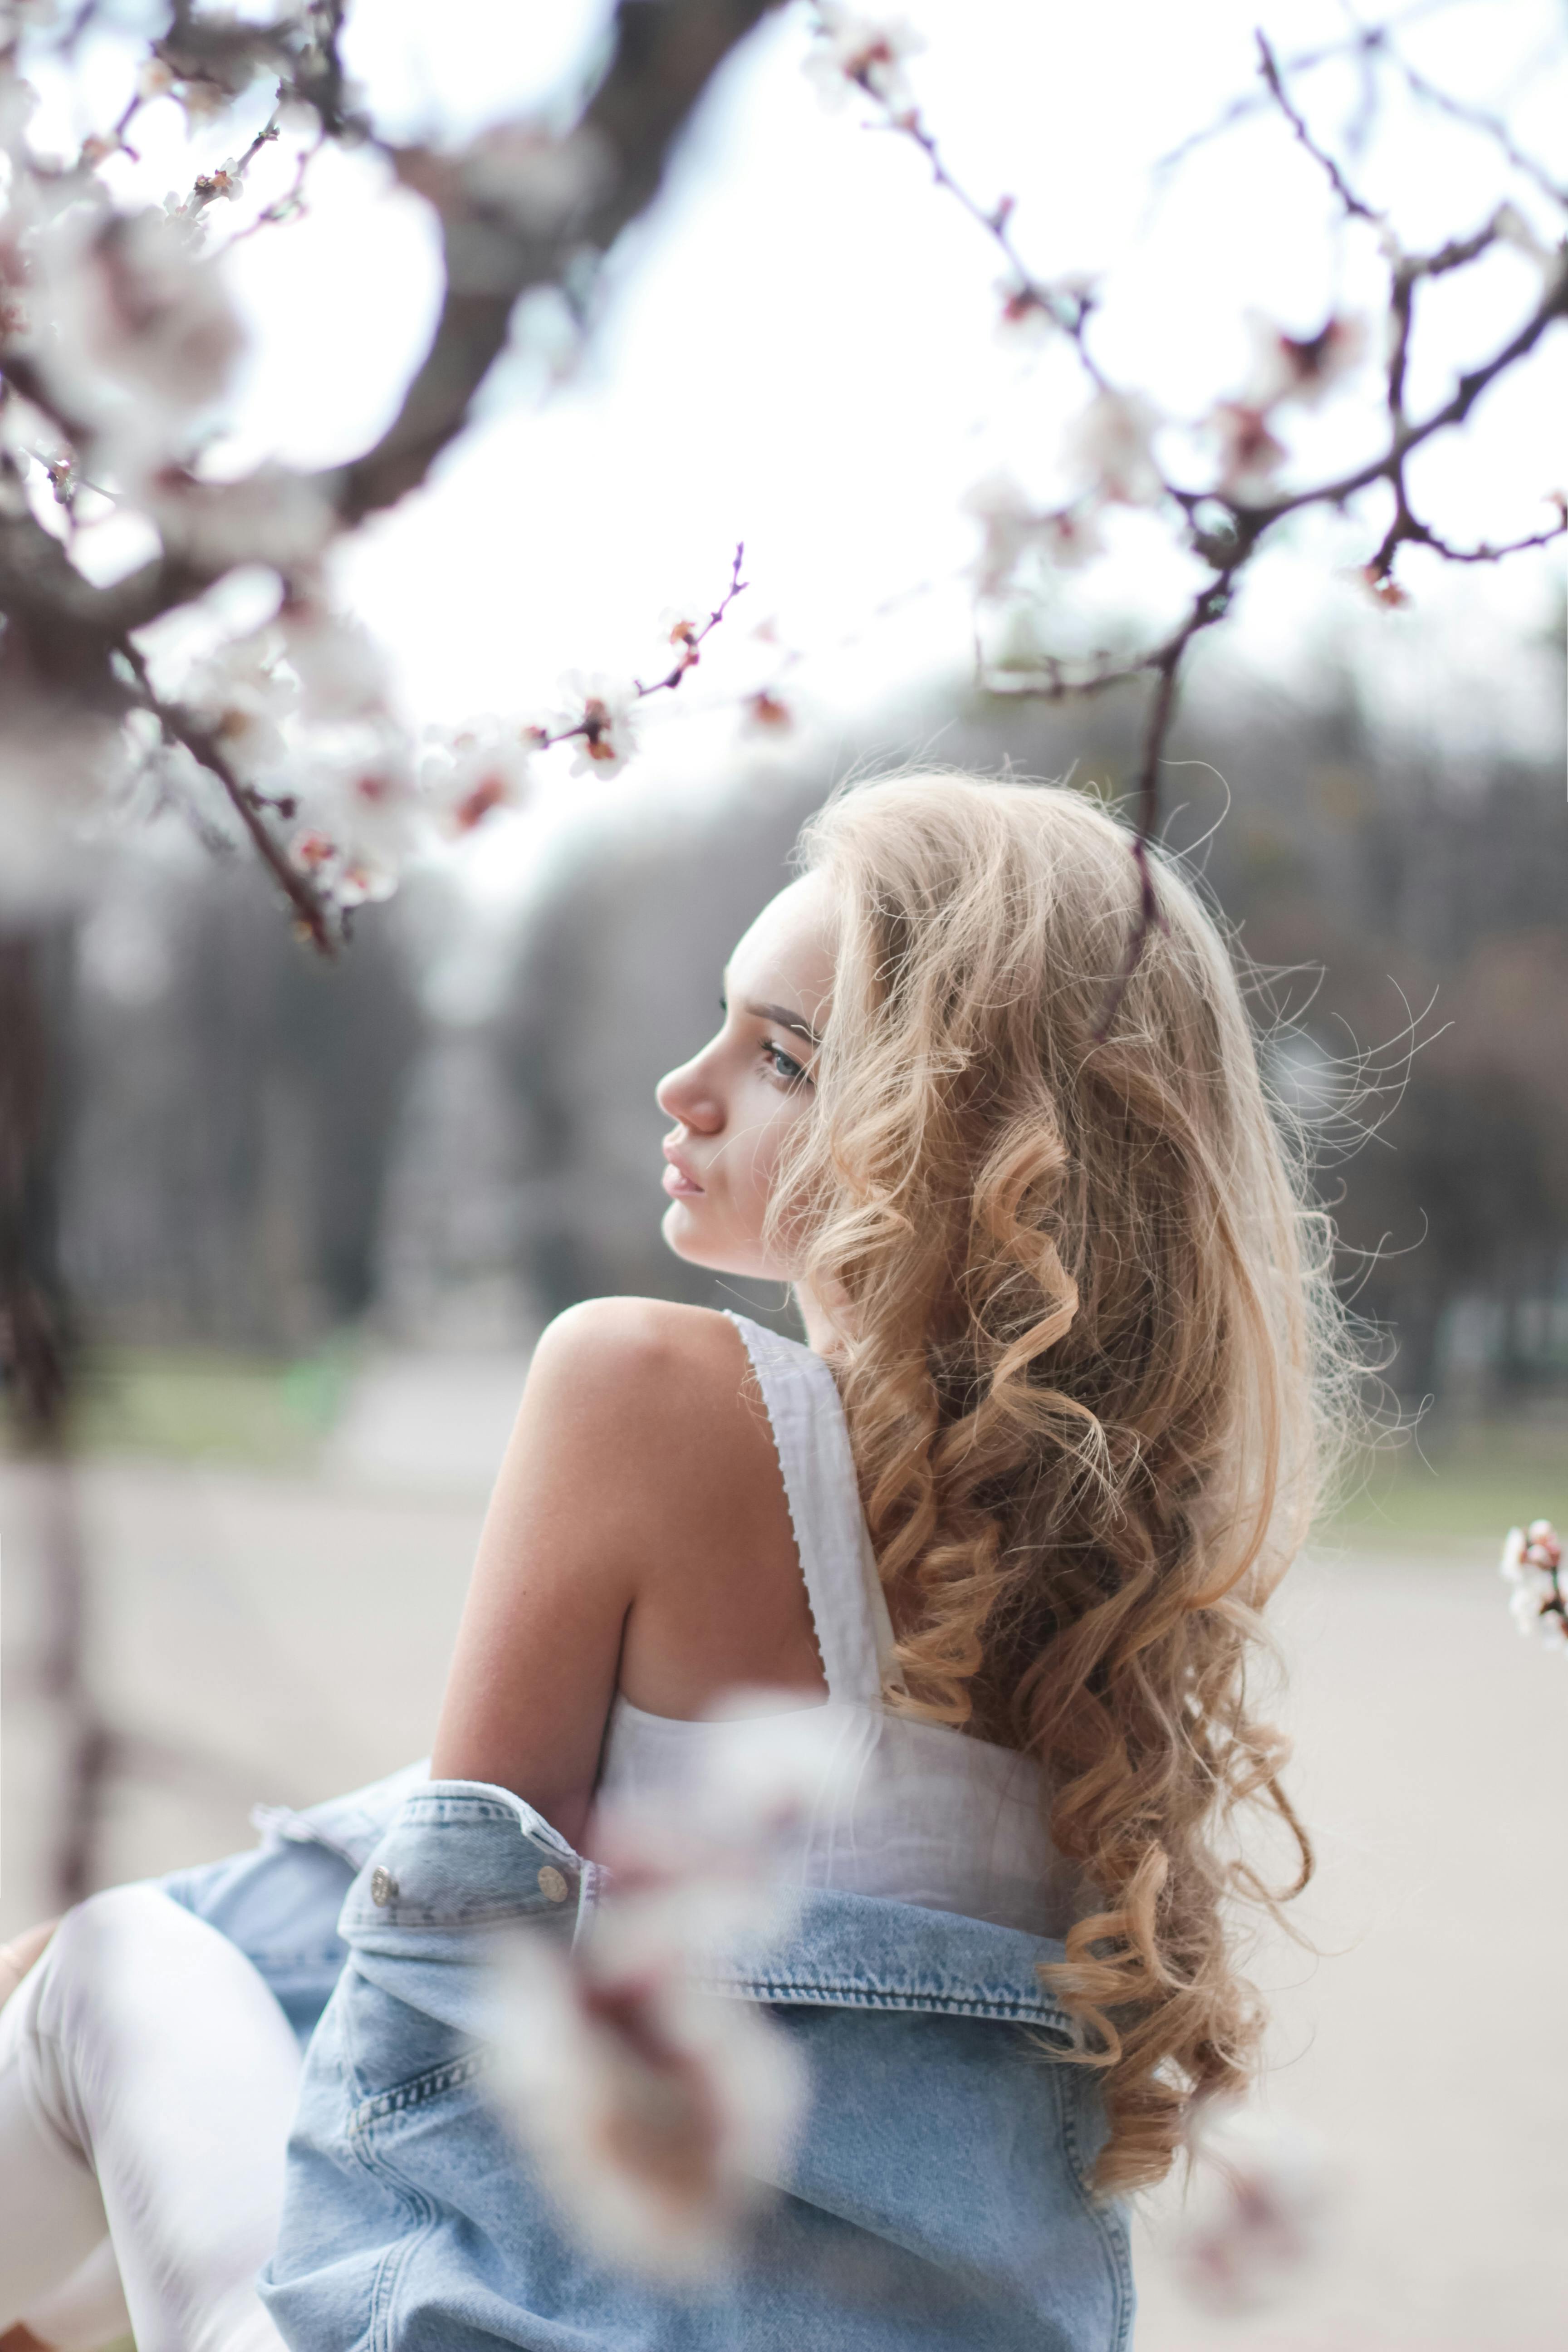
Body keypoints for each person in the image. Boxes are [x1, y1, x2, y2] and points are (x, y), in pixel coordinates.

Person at [0, 774, 1349, 2351]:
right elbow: (516, 1841)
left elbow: (432, 1993)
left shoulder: (647, 1390)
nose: (682, 1086)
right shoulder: (1084, 1628)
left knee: (107, 1968)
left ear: (971, 1136)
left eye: (780, 1055)